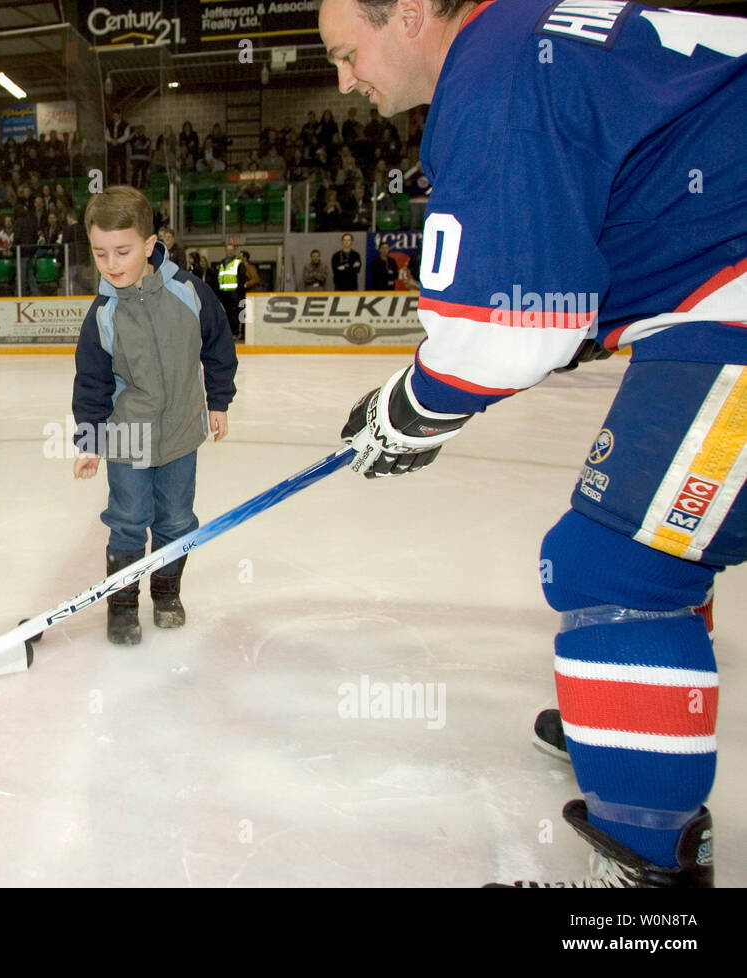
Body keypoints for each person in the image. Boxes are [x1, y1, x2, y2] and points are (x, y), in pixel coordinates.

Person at [323, 0, 747, 887]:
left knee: (610, 567)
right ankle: (626, 714)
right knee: (654, 545)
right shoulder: (528, 32)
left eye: (345, 52)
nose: (344, 79)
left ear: (405, 14)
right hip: (711, 293)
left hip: (729, 300)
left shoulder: (493, 75)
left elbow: (508, 334)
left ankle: (651, 887)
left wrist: (404, 415)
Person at [71, 186, 237, 645]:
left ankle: (166, 594)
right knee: (128, 517)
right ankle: (122, 605)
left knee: (177, 520)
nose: (111, 263)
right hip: (129, 438)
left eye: (123, 251)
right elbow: (91, 384)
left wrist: (218, 401)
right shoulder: (103, 315)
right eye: (100, 253)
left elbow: (219, 346)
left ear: (149, 244)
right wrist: (90, 442)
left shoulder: (189, 292)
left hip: (182, 431)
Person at [213, 243, 245, 339]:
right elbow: (218, 279)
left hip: (234, 293)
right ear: (225, 251)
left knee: (235, 314)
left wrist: (239, 293)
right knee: (226, 314)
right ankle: (229, 332)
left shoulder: (238, 263)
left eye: (231, 250)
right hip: (224, 293)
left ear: (234, 251)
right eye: (228, 250)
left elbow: (241, 279)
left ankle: (235, 332)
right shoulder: (221, 263)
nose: (230, 252)